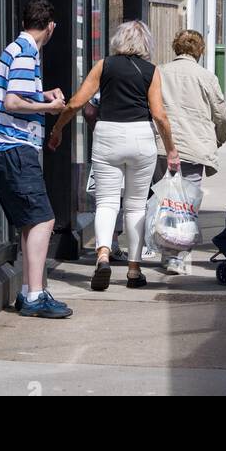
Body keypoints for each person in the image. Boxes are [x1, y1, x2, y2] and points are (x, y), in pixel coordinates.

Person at [50, 20, 179, 291]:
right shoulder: (151, 71)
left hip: (108, 135)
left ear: (118, 41)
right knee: (135, 206)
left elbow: (76, 102)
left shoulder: (104, 65)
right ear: (147, 44)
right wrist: (171, 149)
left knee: (107, 202)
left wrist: (58, 129)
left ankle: (103, 255)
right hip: (140, 137)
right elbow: (159, 115)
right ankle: (133, 270)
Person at [0, 0, 72, 319]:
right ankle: (35, 295)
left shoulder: (15, 48)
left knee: (31, 221)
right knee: (43, 219)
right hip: (15, 148)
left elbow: (16, 94)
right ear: (50, 27)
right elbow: (12, 101)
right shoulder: (26, 52)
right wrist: (48, 108)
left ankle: (29, 291)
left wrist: (42, 94)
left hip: (6, 148)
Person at [150, 30, 226, 271]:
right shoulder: (206, 77)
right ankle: (177, 255)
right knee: (186, 204)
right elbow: (222, 116)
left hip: (163, 146)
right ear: (201, 50)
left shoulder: (160, 72)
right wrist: (216, 140)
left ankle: (166, 250)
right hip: (195, 148)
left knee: (164, 200)